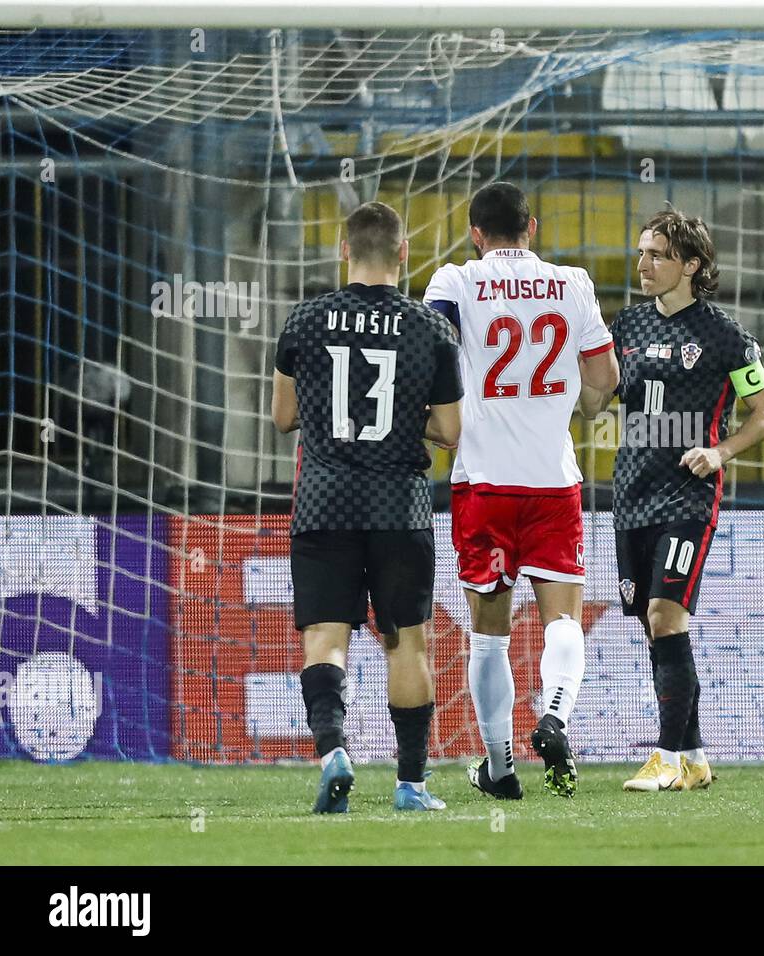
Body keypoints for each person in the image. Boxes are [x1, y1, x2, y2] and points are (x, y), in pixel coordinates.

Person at [423, 181, 619, 799]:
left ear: (475, 234)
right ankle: (556, 714)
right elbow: (605, 376)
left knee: (491, 632)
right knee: (563, 616)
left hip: (482, 479)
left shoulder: (454, 281)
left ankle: (501, 766)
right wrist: (584, 403)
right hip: (551, 479)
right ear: (531, 227)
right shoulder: (573, 283)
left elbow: (427, 354)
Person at [271, 200, 463, 813]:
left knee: (325, 638)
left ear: (342, 249)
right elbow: (452, 430)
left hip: (326, 501)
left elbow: (282, 418)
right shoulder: (431, 329)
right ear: (404, 252)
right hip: (399, 507)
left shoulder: (304, 321)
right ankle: (411, 785)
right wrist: (409, 419)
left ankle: (334, 753)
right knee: (407, 643)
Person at [605, 209, 764, 792]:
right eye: (641, 252)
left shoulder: (724, 335)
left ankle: (666, 758)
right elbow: (594, 400)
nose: (643, 264)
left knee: (665, 615)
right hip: (630, 495)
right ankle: (697, 756)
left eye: (657, 254)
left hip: (688, 497)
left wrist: (719, 453)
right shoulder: (625, 326)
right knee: (658, 631)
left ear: (691, 265)